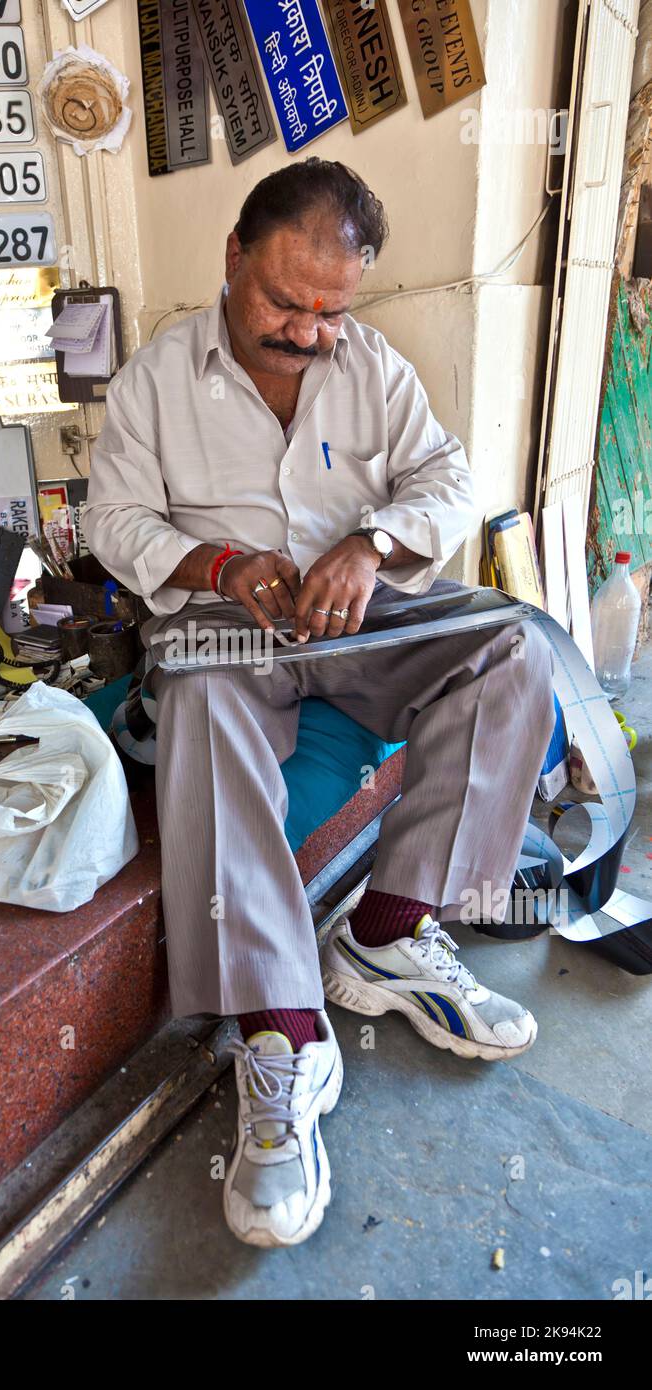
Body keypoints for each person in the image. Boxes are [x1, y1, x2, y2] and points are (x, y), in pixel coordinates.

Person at [83, 158, 555, 1249]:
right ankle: (282, 1032)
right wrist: (214, 564)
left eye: (328, 311)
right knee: (201, 702)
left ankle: (387, 933)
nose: (305, 331)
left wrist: (370, 541)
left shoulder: (370, 365)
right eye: (282, 302)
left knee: (511, 647)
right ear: (234, 258)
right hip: (228, 627)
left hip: (358, 622)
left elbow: (444, 480)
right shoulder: (155, 378)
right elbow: (112, 521)